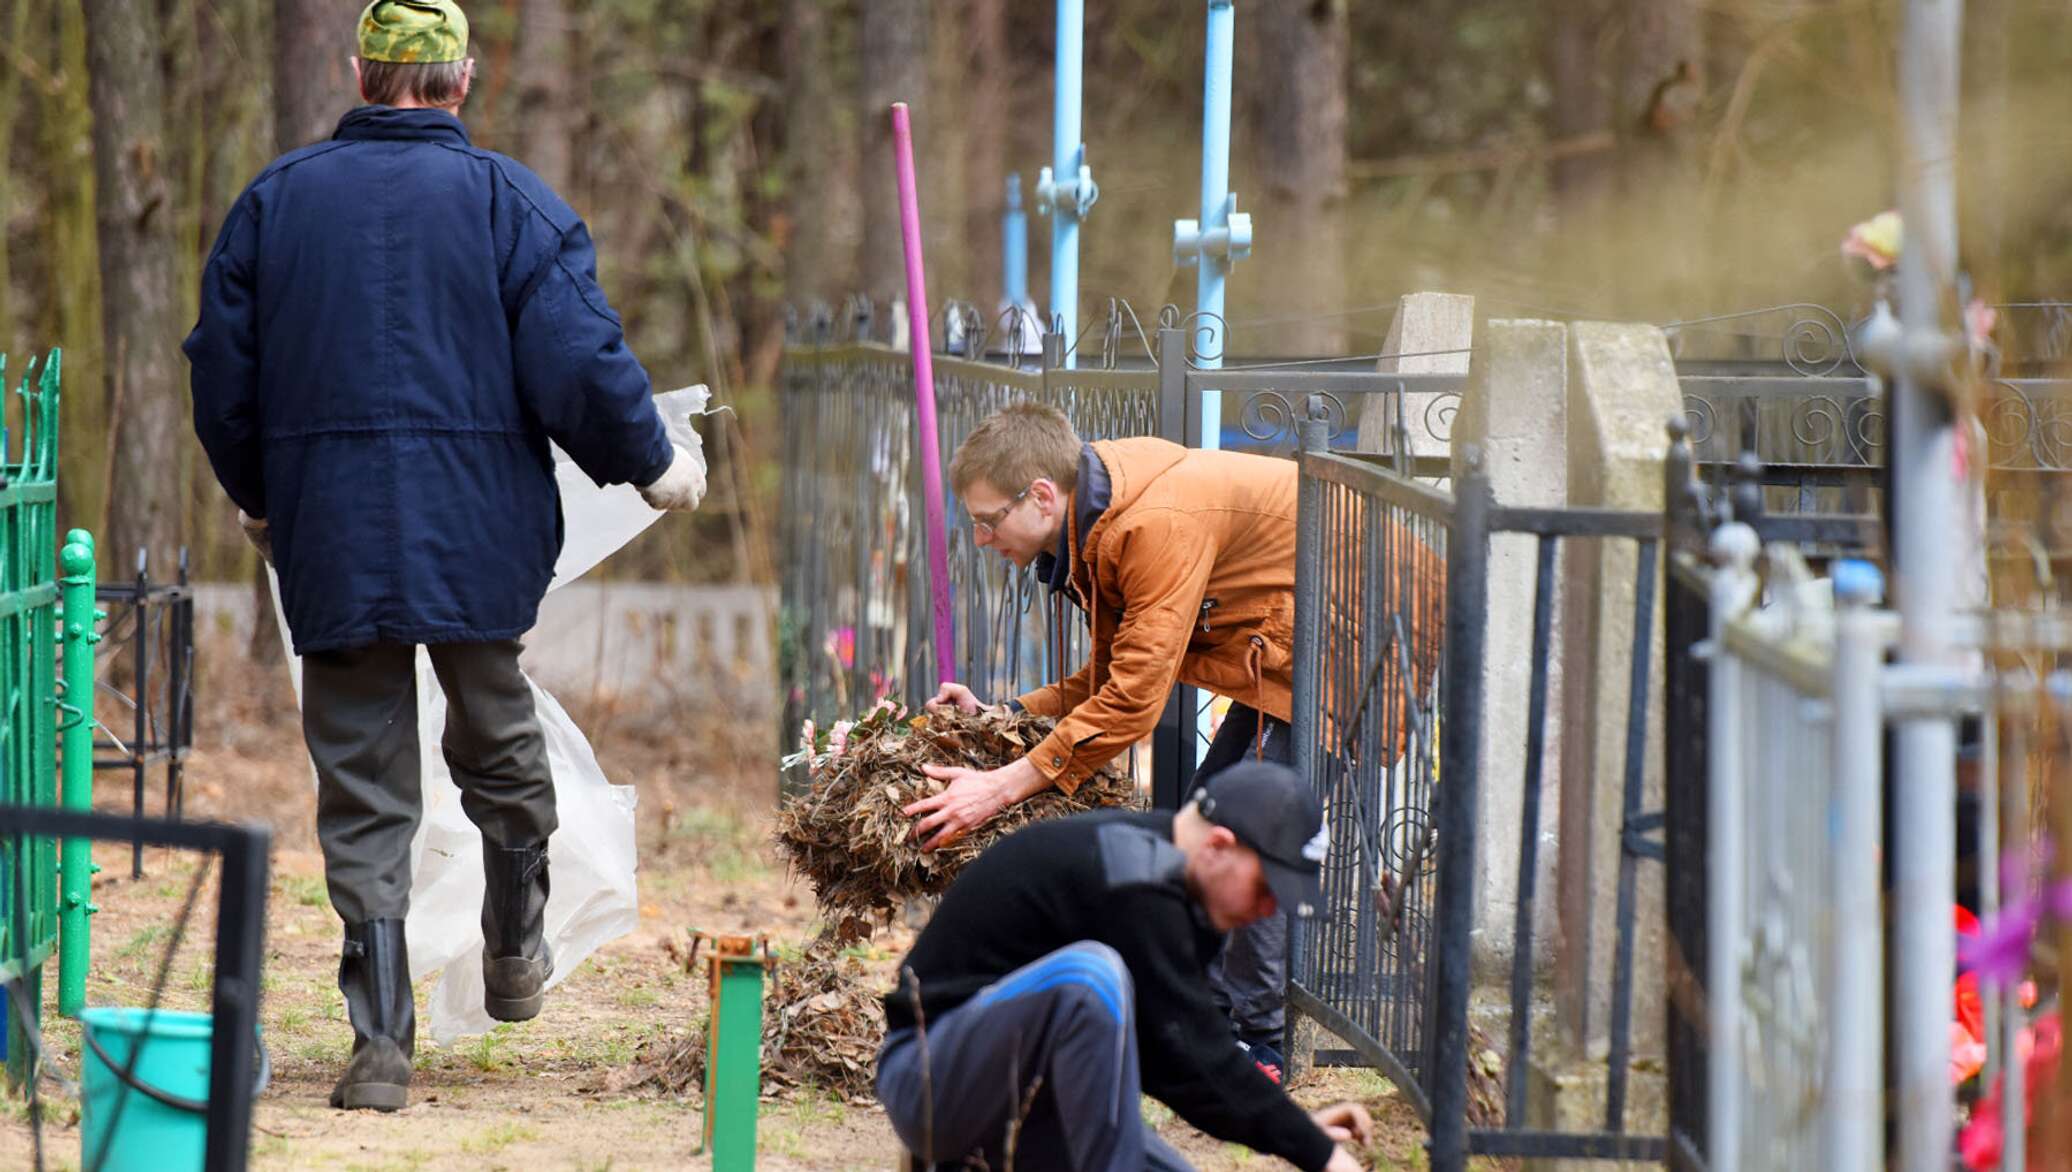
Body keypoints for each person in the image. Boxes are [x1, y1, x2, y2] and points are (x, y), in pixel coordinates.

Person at [183, 0, 701, 1112]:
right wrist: (650, 457)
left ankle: (380, 1043)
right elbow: (577, 357)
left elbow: (221, 380)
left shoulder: (275, 204)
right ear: (459, 80)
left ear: (362, 73)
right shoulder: (510, 203)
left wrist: (265, 501)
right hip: (478, 529)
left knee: (362, 780)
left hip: (330, 530)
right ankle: (514, 940)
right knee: (496, 722)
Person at [912, 401, 1313, 1072]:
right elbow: (1109, 677)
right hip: (1278, 657)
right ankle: (1211, 1026)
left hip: (1345, 635)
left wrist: (999, 788)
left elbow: (1130, 704)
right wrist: (1003, 716)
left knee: (1249, 844)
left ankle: (1257, 1046)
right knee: (1204, 821)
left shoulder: (1151, 525)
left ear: (1042, 496)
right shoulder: (1100, 525)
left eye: (988, 521)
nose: (982, 540)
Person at [879, 761, 1374, 1171]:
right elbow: (1191, 1051)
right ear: (1219, 846)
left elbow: (1186, 1061)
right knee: (1091, 979)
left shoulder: (1176, 889)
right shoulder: (1133, 878)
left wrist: (1297, 1132)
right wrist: (1322, 1155)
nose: (1269, 910)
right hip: (930, 1083)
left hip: (1025, 1106)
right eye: (1268, 888)